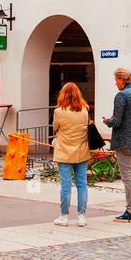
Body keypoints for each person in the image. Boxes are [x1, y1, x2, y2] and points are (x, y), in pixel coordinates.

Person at [104, 67, 131, 222]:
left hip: (124, 140)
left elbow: (117, 121)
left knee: (127, 176)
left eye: (116, 80)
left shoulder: (121, 96)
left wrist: (107, 121)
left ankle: (130, 210)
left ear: (122, 80)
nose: (115, 84)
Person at [51, 82, 91, 226]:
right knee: (82, 184)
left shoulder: (58, 111)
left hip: (64, 152)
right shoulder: (85, 109)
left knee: (66, 185)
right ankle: (81, 216)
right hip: (81, 151)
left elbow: (56, 127)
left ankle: (64, 216)